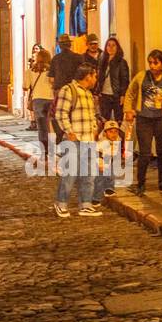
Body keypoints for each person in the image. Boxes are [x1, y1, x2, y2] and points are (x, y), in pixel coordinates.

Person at [124, 49, 162, 196]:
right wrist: (128, 110)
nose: (152, 66)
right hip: (144, 118)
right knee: (145, 153)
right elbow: (130, 92)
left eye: (155, 63)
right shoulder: (142, 76)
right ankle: (140, 184)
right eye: (150, 63)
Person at [53, 63, 103, 218]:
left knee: (89, 174)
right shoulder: (68, 90)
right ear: (88, 76)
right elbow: (60, 113)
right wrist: (69, 131)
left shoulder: (88, 93)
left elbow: (92, 114)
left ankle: (86, 204)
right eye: (94, 75)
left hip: (88, 139)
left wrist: (94, 129)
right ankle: (61, 203)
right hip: (74, 139)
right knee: (70, 173)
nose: (96, 79)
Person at [24, 48, 55, 163]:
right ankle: (52, 151)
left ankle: (44, 153)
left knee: (42, 128)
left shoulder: (30, 70)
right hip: (51, 99)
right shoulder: (52, 70)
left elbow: (25, 86)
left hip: (38, 100)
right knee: (51, 127)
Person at [95, 36, 130, 125]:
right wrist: (97, 91)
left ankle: (118, 138)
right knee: (104, 120)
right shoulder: (102, 61)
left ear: (117, 47)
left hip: (117, 95)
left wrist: (123, 94)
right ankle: (106, 138)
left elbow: (125, 79)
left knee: (118, 120)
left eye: (113, 45)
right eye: (108, 45)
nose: (110, 48)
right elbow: (99, 78)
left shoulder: (121, 62)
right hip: (104, 95)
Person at [91, 119, 125, 204]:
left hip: (111, 160)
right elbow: (97, 152)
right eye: (111, 132)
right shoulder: (102, 142)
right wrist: (100, 162)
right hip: (101, 162)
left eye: (116, 132)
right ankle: (96, 197)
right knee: (99, 179)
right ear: (105, 133)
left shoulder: (118, 140)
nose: (114, 134)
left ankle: (109, 188)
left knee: (111, 174)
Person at [48, 33, 82, 100]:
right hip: (74, 89)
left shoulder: (55, 59)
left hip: (59, 90)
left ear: (60, 46)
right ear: (70, 44)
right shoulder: (78, 57)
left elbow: (51, 79)